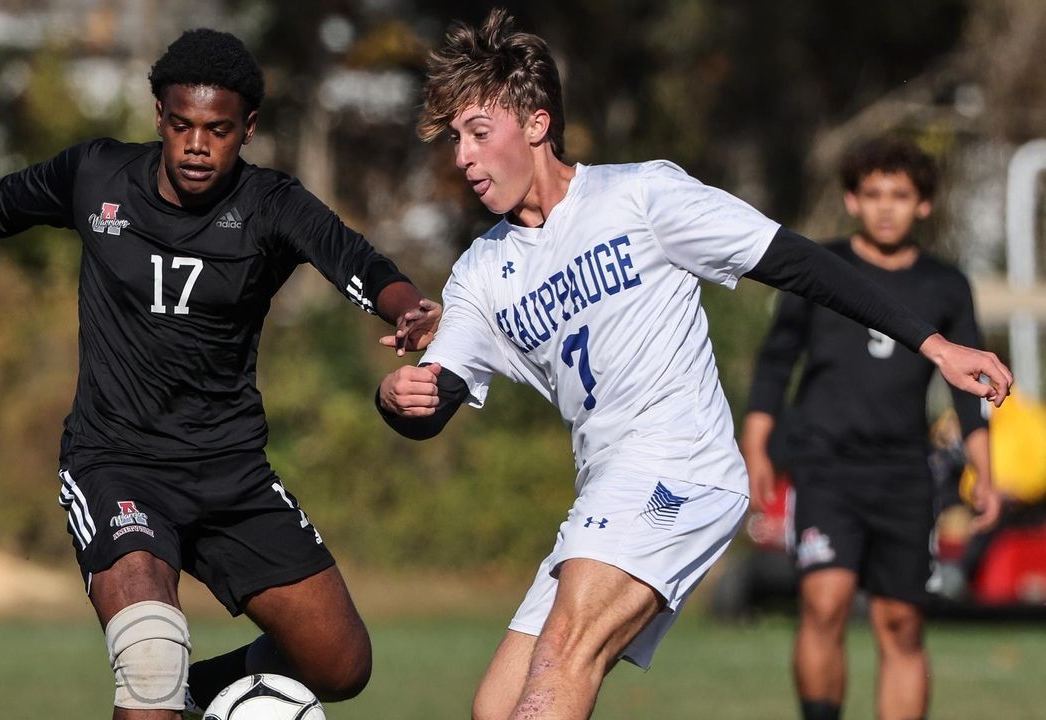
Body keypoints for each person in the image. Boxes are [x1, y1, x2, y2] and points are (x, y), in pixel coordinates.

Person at [0, 28, 439, 720]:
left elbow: (354, 259)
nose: (196, 146)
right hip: (115, 463)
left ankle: (189, 699)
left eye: (217, 130)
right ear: (159, 117)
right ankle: (159, 691)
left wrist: (407, 308)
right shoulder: (96, 175)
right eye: (181, 125)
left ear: (248, 128)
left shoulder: (272, 205)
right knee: (151, 657)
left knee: (338, 663)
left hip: (230, 471)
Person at [374, 10, 1012, 720]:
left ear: (535, 123)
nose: (462, 156)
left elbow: (800, 262)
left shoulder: (641, 197)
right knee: (497, 707)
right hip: (602, 488)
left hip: (679, 467)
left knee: (565, 654)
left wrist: (933, 343)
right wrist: (398, 398)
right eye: (456, 138)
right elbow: (439, 397)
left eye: (477, 132)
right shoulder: (479, 273)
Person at [741, 137, 1001, 720]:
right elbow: (776, 362)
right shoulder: (818, 270)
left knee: (901, 621)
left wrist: (985, 470)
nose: (887, 207)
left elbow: (970, 389)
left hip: (906, 474)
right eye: (873, 194)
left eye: (900, 195)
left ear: (924, 205)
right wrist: (756, 442)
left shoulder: (946, 285)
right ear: (852, 201)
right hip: (826, 467)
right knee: (825, 602)